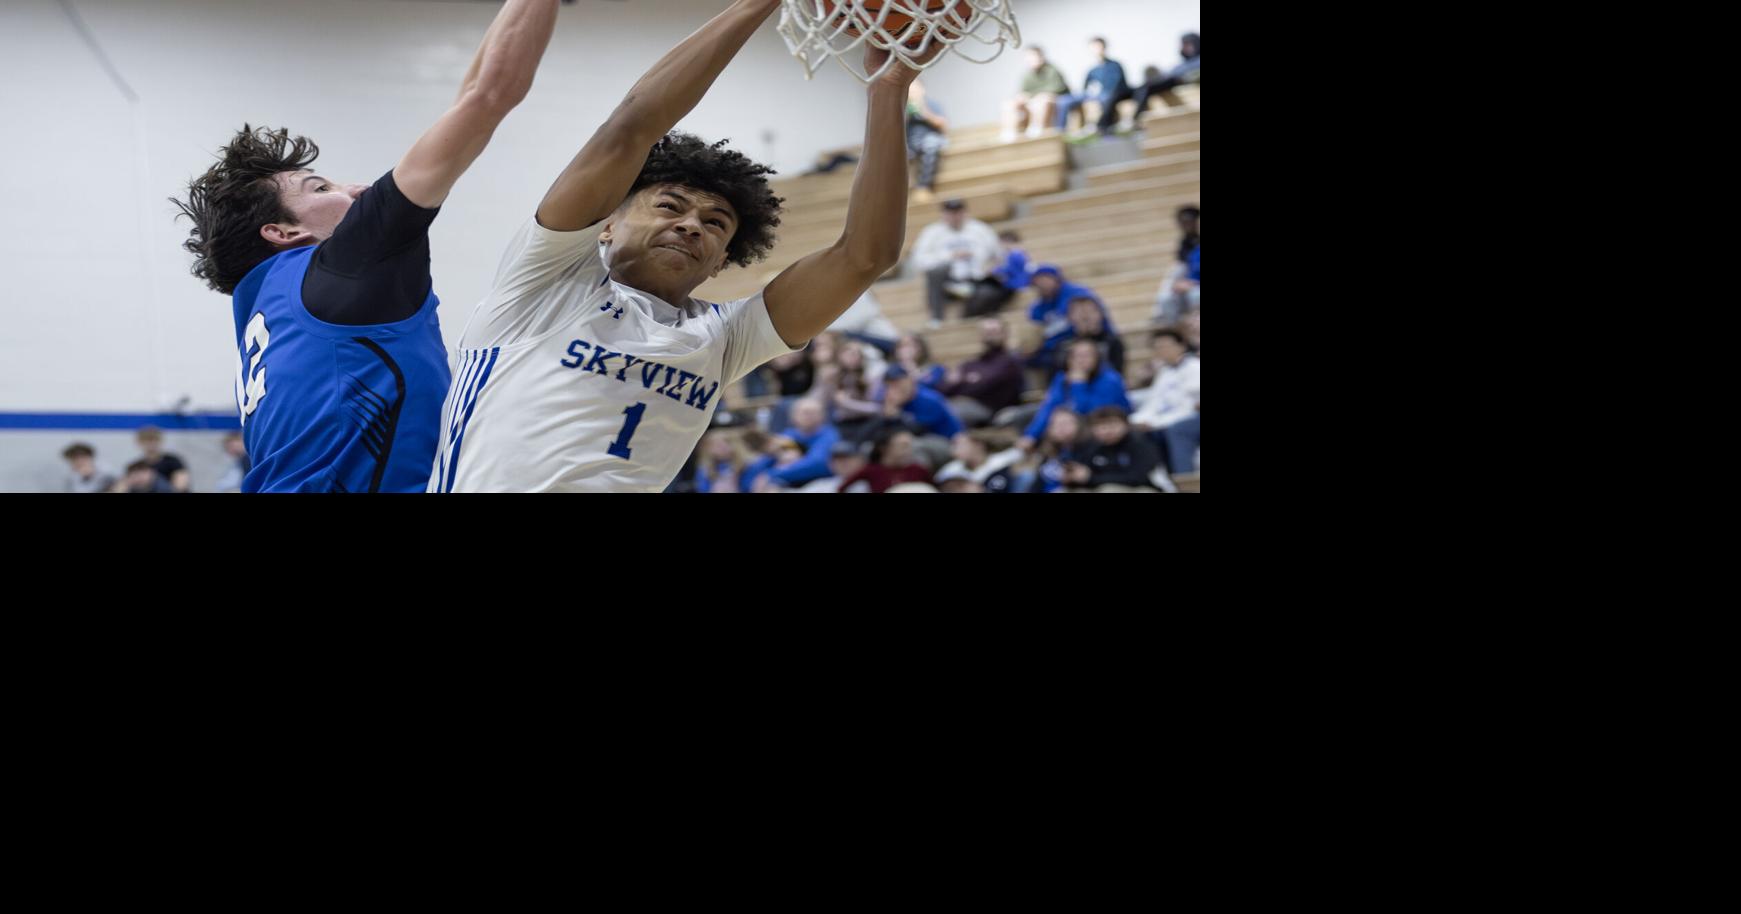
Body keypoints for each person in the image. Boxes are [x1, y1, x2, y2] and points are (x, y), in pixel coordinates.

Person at [430, 1, 941, 492]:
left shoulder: (723, 336)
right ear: (607, 223)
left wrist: (888, 88)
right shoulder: (546, 280)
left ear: (722, 261)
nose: (692, 226)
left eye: (716, 223)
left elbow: (864, 256)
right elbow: (630, 129)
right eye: (670, 207)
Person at [172, 0, 559, 493]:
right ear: (284, 232)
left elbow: (470, 98)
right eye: (319, 187)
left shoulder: (266, 309)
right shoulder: (346, 267)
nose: (354, 189)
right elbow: (489, 96)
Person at [908, 198, 1002, 328]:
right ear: (943, 214)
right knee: (937, 271)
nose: (955, 216)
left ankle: (966, 319)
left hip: (976, 280)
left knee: (992, 291)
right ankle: (936, 317)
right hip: (948, 284)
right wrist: (950, 256)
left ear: (965, 212)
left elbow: (998, 254)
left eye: (958, 212)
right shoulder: (932, 232)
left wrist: (991, 266)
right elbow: (918, 261)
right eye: (950, 213)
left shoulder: (980, 229)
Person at [1020, 340, 1130, 450]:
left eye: (1087, 356)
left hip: (1106, 427)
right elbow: (1050, 407)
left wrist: (1079, 386)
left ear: (1097, 358)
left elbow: (1094, 413)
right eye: (1076, 356)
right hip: (1073, 430)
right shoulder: (1062, 378)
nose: (1081, 360)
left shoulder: (1110, 379)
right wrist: (1031, 435)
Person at [1130, 329, 1201, 473]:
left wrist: (1156, 422)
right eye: (1158, 347)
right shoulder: (1164, 372)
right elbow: (1155, 403)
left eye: (1166, 345)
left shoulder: (1195, 366)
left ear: (1181, 346)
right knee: (1136, 432)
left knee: (1177, 430)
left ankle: (1185, 480)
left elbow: (1191, 405)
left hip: (1189, 417)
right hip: (1165, 418)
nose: (1162, 350)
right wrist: (1144, 420)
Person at [936, 318, 1025, 427]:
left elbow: (986, 385)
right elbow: (942, 389)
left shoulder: (1010, 361)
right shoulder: (971, 363)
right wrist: (968, 380)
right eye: (987, 332)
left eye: (994, 331)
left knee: (947, 414)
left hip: (992, 410)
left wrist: (960, 382)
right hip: (962, 404)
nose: (990, 335)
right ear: (981, 335)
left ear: (1005, 334)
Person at [1062, 406, 1161, 491]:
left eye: (1112, 424)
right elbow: (1085, 478)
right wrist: (1073, 479)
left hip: (1143, 488)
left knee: (1109, 489)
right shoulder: (1091, 447)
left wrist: (1091, 478)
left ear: (1126, 425)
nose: (1107, 430)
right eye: (1101, 426)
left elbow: (1138, 477)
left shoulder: (1139, 443)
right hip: (1101, 487)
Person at [1056, 37, 1133, 137]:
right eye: (1093, 47)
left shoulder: (1115, 65)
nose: (1096, 49)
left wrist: (1099, 93)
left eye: (1098, 46)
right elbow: (1085, 88)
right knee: (1064, 100)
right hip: (1095, 95)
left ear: (1104, 47)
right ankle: (1060, 131)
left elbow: (1116, 86)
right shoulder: (1093, 70)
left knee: (1106, 97)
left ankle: (1102, 127)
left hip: (1108, 94)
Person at [1001, 47, 1070, 142]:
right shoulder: (1027, 74)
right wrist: (1022, 97)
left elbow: (1057, 88)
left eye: (1033, 56)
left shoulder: (1052, 70)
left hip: (1051, 100)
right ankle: (1009, 132)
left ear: (1041, 57)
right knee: (1009, 103)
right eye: (1028, 57)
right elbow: (1023, 91)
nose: (1030, 59)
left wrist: (1034, 95)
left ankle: (1037, 129)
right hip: (1033, 100)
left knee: (1041, 100)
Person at [838, 428, 933, 493]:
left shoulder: (919, 470)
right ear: (884, 448)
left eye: (910, 446)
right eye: (903, 446)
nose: (908, 451)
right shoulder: (871, 470)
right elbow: (842, 488)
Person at [1133, 32, 1201, 116]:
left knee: (1150, 87)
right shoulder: (1181, 64)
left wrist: (1185, 78)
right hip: (1170, 80)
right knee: (1143, 87)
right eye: (1183, 45)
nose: (1184, 48)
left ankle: (1137, 117)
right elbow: (1168, 73)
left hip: (1180, 82)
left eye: (1188, 44)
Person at [905, 79, 950, 200]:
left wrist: (923, 111)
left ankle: (923, 187)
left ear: (922, 90)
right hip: (910, 142)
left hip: (931, 138)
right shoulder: (902, 108)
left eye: (915, 88)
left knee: (931, 144)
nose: (912, 92)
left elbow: (943, 126)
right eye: (909, 90)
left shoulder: (931, 104)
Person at [132, 426, 191, 492]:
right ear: (139, 442)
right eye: (146, 440)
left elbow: (181, 486)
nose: (150, 443)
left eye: (154, 440)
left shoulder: (173, 462)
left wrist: (153, 479)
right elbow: (124, 486)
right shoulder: (136, 466)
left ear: (160, 441)